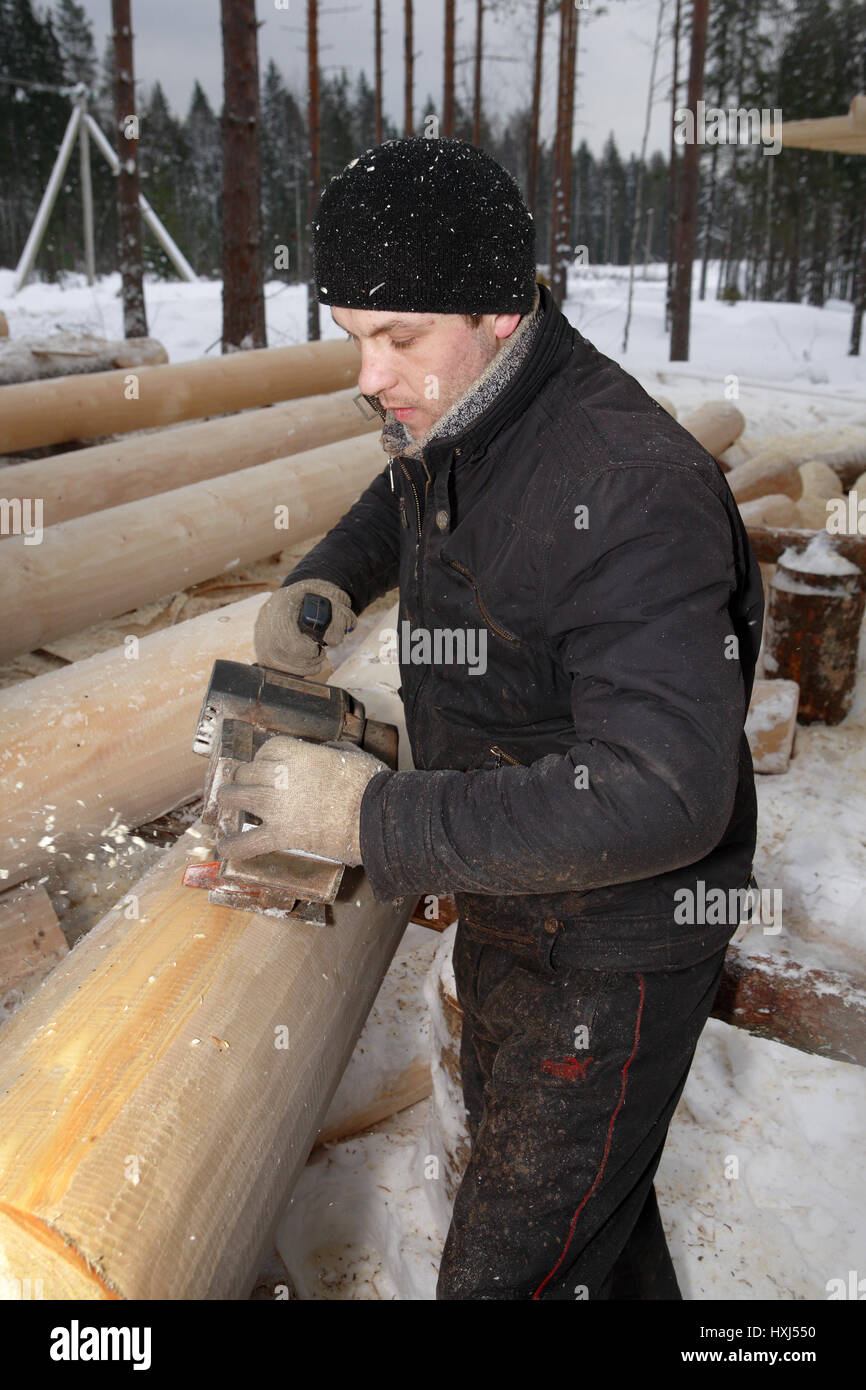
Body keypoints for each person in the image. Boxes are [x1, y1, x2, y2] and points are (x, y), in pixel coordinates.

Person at [215, 137, 765, 1301]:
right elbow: (411, 485)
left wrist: (369, 817)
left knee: (513, 1262)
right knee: (588, 1218)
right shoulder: (475, 404)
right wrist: (332, 575)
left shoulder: (627, 487)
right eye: (353, 335)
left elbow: (663, 793)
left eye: (397, 337)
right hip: (518, 884)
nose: (369, 374)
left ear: (498, 310)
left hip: (612, 943)